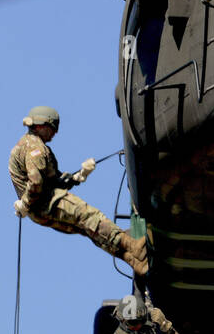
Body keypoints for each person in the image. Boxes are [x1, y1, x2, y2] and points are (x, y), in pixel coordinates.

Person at [8, 106, 147, 275]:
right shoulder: (33, 146)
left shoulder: (33, 146)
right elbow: (36, 182)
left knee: (90, 230)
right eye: (52, 128)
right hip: (47, 202)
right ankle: (134, 247)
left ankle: (133, 261)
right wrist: (25, 202)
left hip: (39, 210)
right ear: (40, 126)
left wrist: (79, 176)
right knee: (91, 217)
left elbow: (54, 180)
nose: (54, 133)